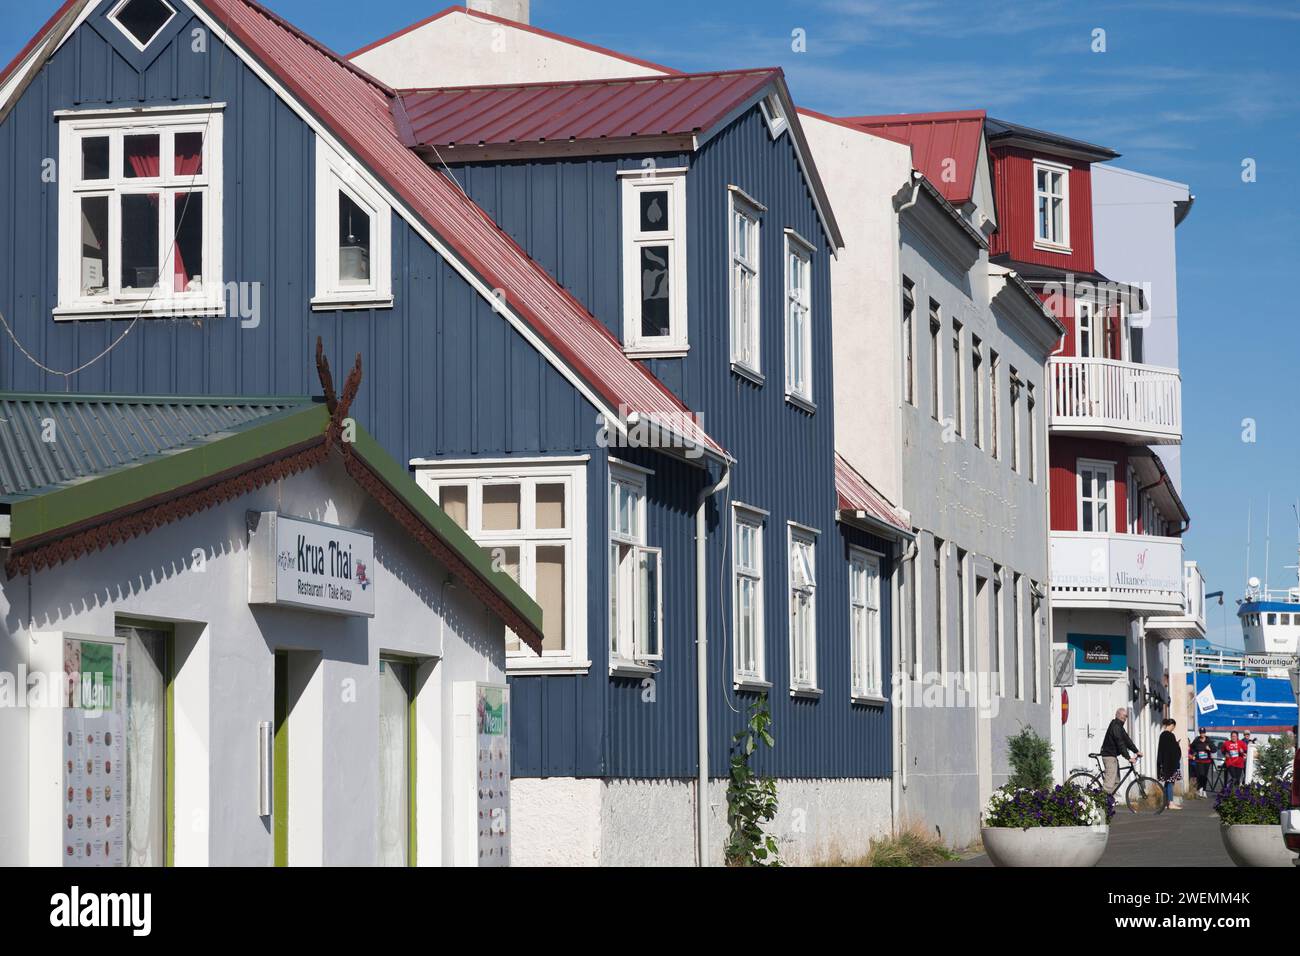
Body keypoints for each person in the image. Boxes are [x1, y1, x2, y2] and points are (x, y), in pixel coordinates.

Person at [1100, 707, 1142, 794]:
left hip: (1112, 755)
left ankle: (1108, 801)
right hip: (1109, 756)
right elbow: (1120, 743)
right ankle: (1100, 803)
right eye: (1123, 716)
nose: (1125, 718)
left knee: (1116, 781)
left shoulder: (1119, 727)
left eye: (1126, 716)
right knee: (1109, 782)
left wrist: (1136, 751)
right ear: (1117, 715)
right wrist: (1128, 757)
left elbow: (1127, 740)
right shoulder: (1115, 726)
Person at [1157, 718, 1183, 809]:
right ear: (1172, 725)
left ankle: (1165, 803)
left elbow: (1163, 750)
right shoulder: (1170, 735)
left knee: (1167, 783)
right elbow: (1173, 750)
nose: (1173, 729)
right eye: (1174, 727)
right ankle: (1171, 803)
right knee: (1170, 783)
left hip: (1164, 763)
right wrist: (1177, 745)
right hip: (1171, 764)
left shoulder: (1162, 735)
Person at [1189, 729, 1215, 795]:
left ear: (1205, 733)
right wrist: (1194, 753)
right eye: (1201, 733)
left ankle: (1204, 789)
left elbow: (1214, 749)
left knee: (1204, 776)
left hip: (1207, 761)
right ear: (1199, 733)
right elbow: (1191, 747)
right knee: (1200, 774)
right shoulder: (1197, 740)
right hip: (1199, 761)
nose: (1202, 734)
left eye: (1203, 733)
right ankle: (1200, 788)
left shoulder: (1209, 740)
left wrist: (1209, 749)